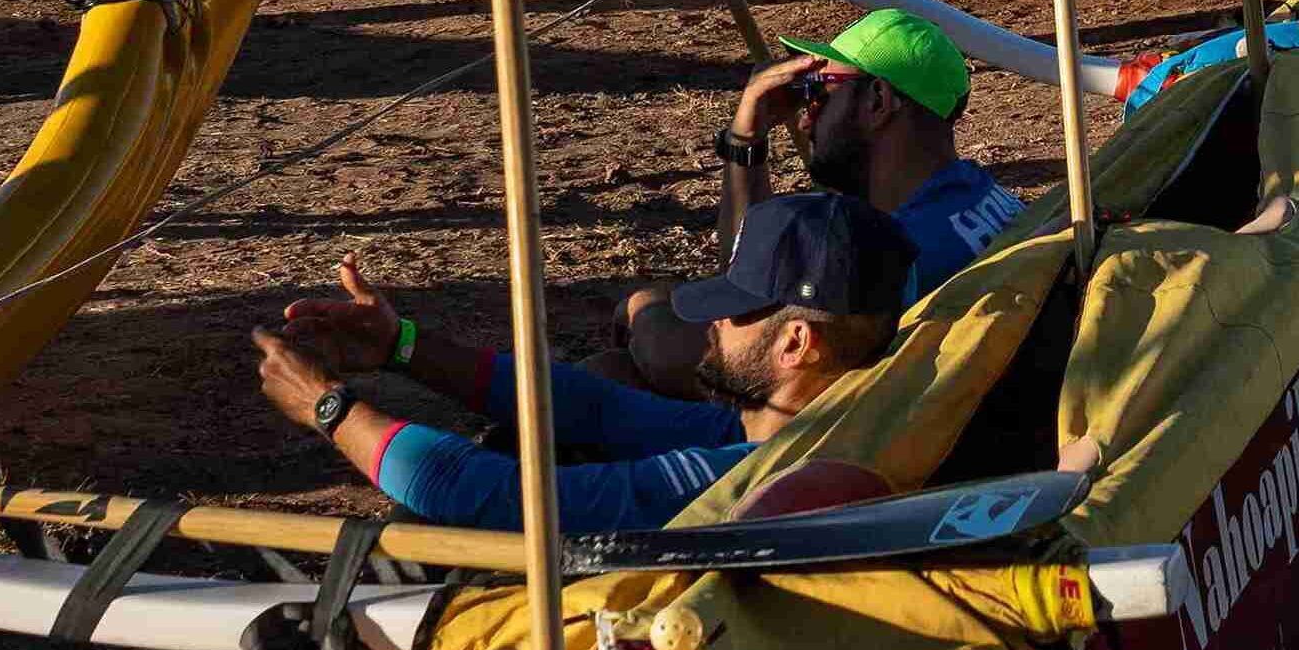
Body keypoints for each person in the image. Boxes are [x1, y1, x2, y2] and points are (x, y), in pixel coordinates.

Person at [250, 190, 911, 538]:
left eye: (736, 311)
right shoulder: (811, 421)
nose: (710, 323)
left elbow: (497, 498)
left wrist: (327, 406)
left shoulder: (749, 474)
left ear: (796, 343)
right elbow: (596, 408)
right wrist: (403, 348)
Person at [721, 5, 1027, 275]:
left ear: (878, 102)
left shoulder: (881, 262)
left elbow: (742, 293)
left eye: (817, 93)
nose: (803, 120)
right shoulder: (984, 196)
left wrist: (745, 139)